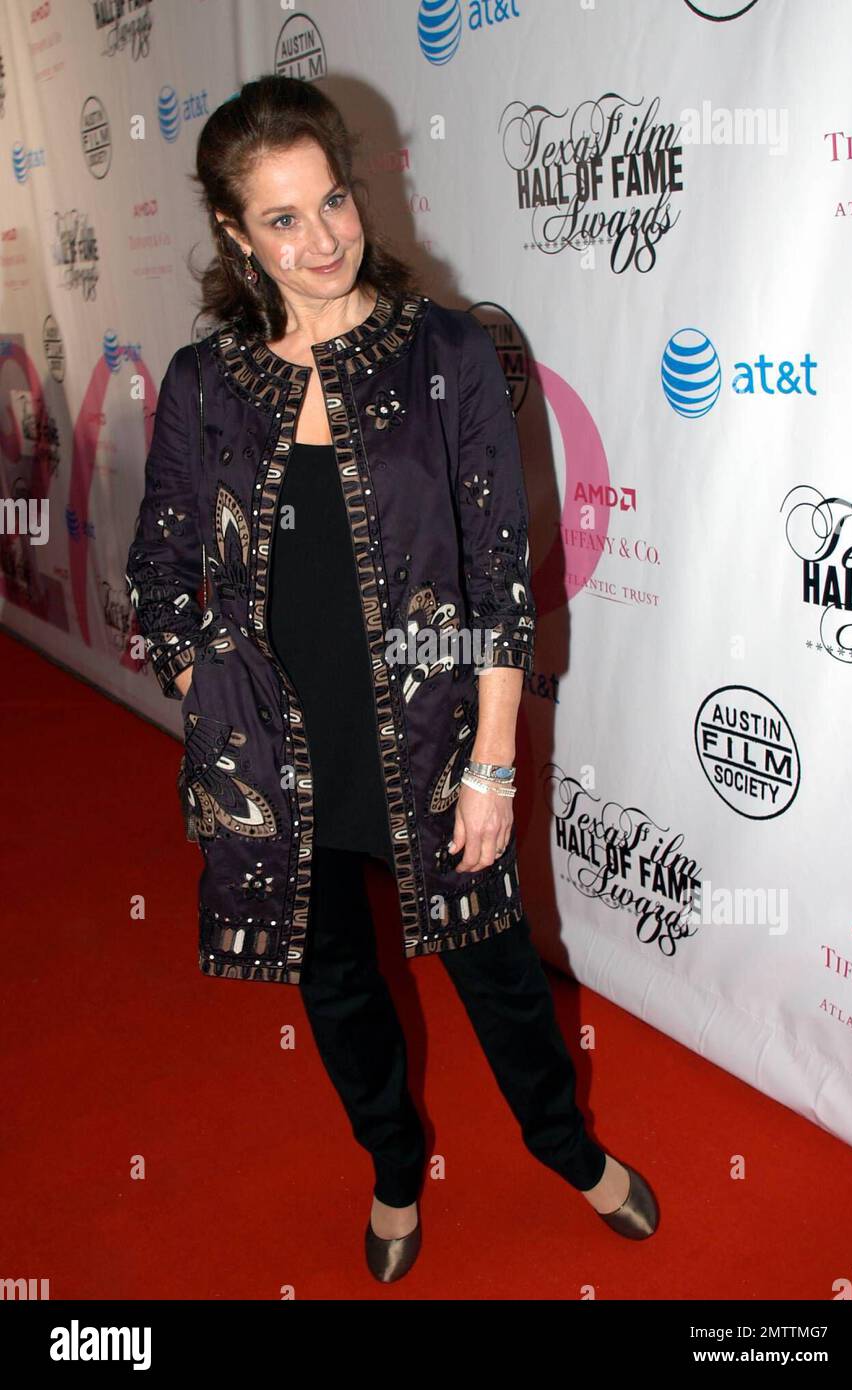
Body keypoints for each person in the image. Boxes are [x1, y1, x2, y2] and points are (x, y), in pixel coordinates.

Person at [125, 75, 658, 1285]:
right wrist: (209, 686)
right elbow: (157, 561)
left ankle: (567, 1149)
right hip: (275, 756)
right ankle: (392, 1167)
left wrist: (489, 761)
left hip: (427, 739)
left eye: (332, 203)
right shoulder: (208, 386)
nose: (319, 242)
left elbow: (494, 581)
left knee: (497, 969)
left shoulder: (444, 352)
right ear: (232, 233)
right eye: (281, 220)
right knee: (335, 983)